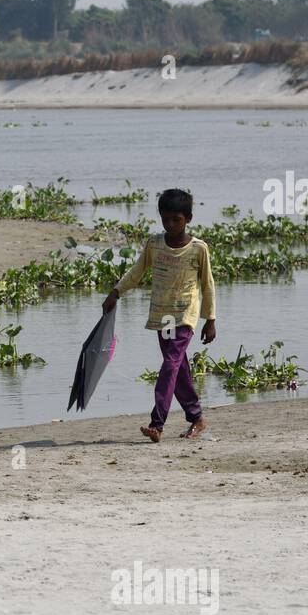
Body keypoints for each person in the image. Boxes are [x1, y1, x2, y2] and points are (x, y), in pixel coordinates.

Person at [101, 188, 217, 442]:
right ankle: (197, 418)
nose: (171, 224)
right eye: (165, 219)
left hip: (186, 315)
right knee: (180, 369)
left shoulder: (199, 249)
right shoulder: (155, 244)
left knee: (170, 365)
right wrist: (116, 291)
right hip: (162, 316)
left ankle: (157, 423)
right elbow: (137, 271)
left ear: (188, 219)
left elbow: (207, 284)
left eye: (176, 219)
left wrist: (210, 319)